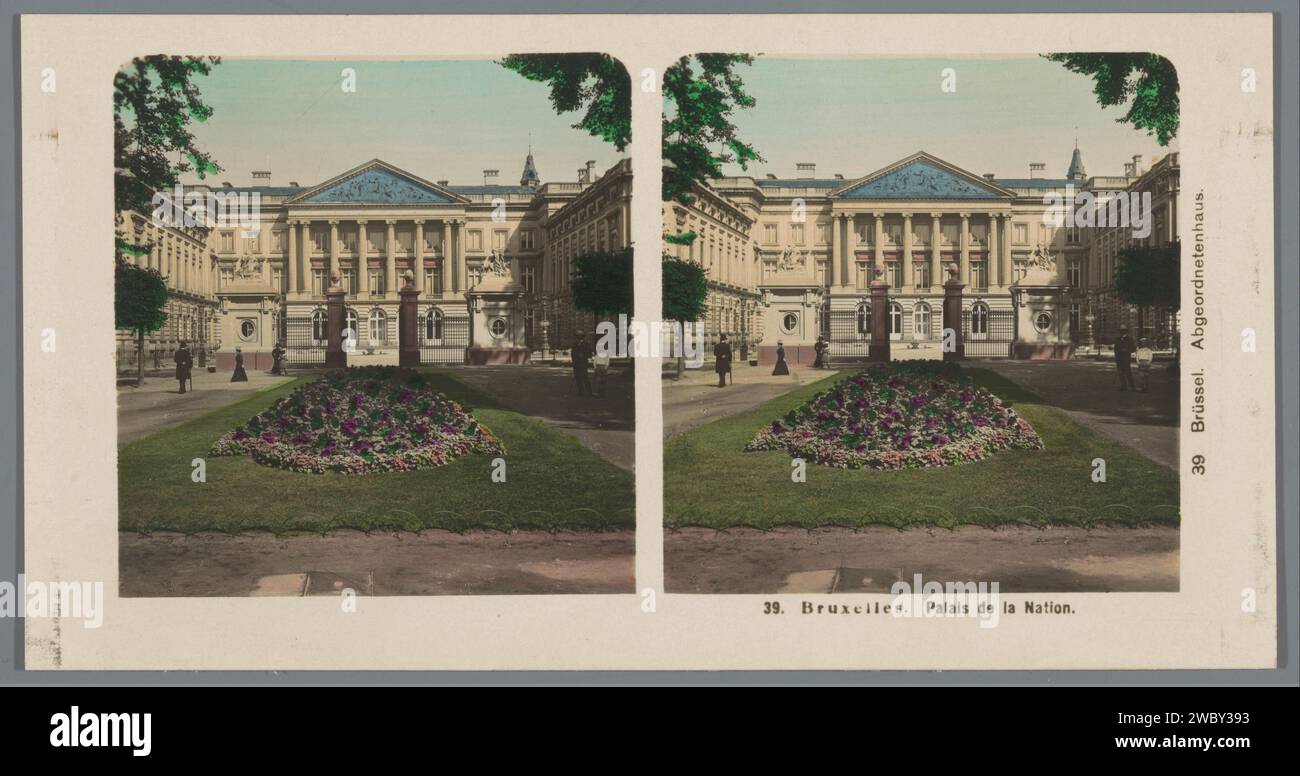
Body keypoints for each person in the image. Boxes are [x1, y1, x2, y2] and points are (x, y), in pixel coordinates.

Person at [1113, 326, 1136, 391]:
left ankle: (1132, 387)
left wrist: (1126, 350)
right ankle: (1124, 386)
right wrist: (1117, 357)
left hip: (1126, 358)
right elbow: (1115, 349)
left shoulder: (1129, 339)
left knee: (1128, 373)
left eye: (1123, 331)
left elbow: (1133, 349)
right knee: (1121, 373)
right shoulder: (1117, 339)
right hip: (1119, 359)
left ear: (1126, 331)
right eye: (1121, 331)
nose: (1122, 332)